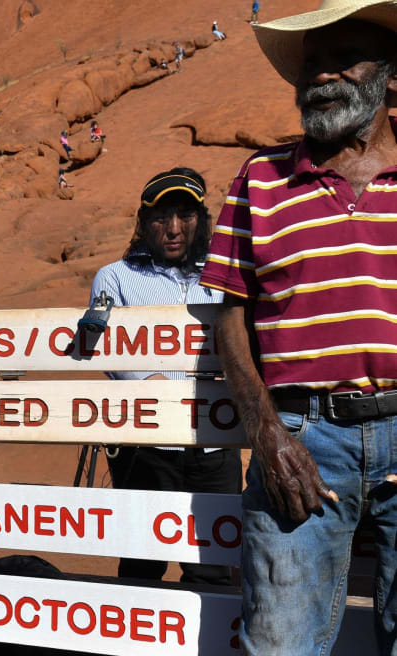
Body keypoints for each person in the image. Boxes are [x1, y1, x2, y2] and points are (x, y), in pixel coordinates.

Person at [200, 3, 397, 651]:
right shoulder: (260, 178)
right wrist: (266, 433)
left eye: (345, 58)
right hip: (301, 436)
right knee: (280, 642)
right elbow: (226, 312)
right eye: (311, 63)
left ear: (391, 78)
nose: (322, 75)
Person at [91, 168, 237, 586]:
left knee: (212, 564)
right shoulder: (115, 277)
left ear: (201, 220)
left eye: (185, 216)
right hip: (146, 446)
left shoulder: (225, 277)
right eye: (161, 217)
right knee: (141, 564)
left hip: (214, 442)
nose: (173, 229)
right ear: (143, 222)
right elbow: (102, 344)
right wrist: (150, 381)